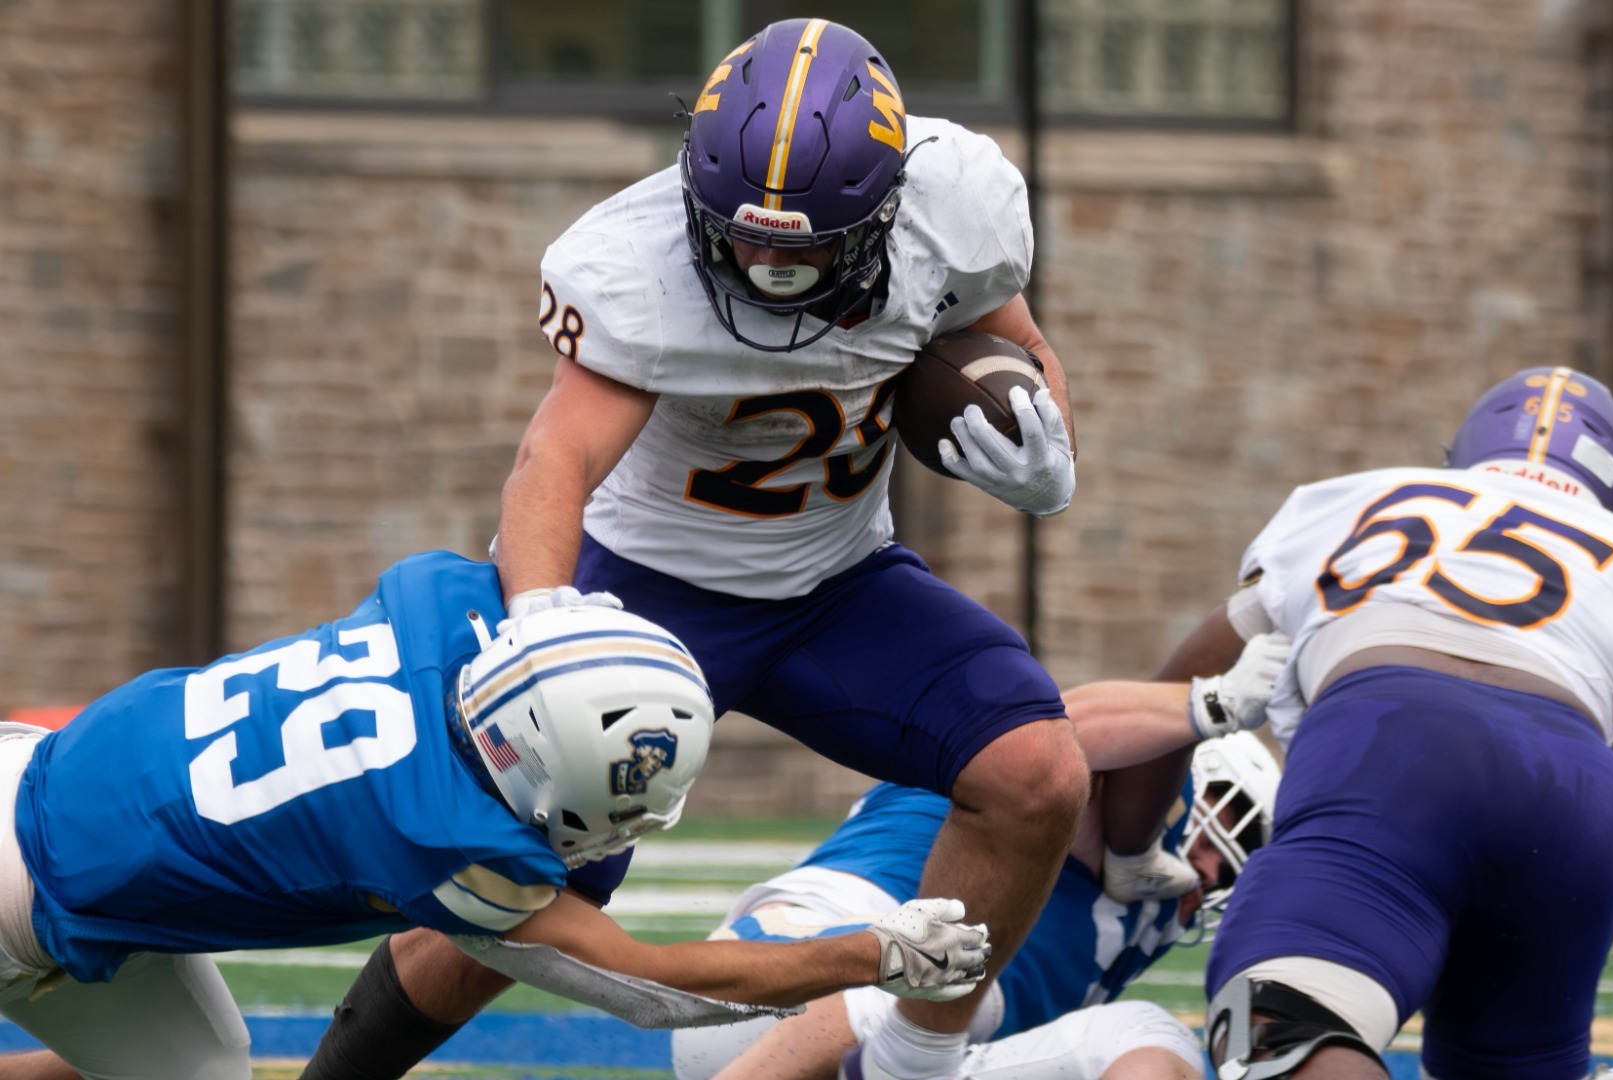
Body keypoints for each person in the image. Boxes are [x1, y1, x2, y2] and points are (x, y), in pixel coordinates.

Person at [302, 18, 1087, 1080]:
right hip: (639, 591)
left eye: (799, 246)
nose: (763, 268)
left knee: (1038, 774)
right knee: (537, 886)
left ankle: (914, 1059)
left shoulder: (961, 205)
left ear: (888, 208)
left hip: (837, 582)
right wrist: (540, 630)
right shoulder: (636, 263)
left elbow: (1016, 344)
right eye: (742, 236)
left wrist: (1045, 452)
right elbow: (554, 460)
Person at [0, 552, 989, 1080]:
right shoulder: (442, 838)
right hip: (26, 900)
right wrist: (874, 954)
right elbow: (650, 989)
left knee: (201, 1065)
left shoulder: (455, 602)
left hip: (30, 763)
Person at [1170, 368, 1613, 1080]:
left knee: (1277, 1032)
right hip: (1566, 796)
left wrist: (1130, 850)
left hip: (1389, 751)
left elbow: (1172, 695)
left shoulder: (1359, 507)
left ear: (1459, 463)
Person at [671, 730, 1281, 1080]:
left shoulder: (1141, 918)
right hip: (772, 996)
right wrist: (1204, 704)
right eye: (1232, 836)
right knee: (947, 971)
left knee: (1151, 1040)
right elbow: (1104, 734)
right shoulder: (1070, 781)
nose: (1213, 871)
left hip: (885, 1053)